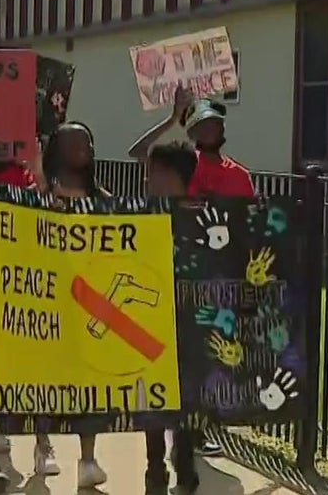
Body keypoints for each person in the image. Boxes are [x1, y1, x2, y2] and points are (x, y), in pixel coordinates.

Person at [37, 121, 112, 486]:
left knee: (88, 386)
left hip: (87, 307)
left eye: (88, 141)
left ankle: (87, 459)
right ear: (57, 150)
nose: (83, 147)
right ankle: (42, 444)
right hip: (46, 303)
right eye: (74, 141)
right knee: (44, 382)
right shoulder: (39, 196)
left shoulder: (104, 200)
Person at [143, 141, 201, 494]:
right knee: (152, 399)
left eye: (156, 176)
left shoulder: (201, 216)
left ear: (176, 178)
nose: (149, 182)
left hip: (187, 322)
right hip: (149, 322)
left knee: (185, 398)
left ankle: (185, 461)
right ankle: (154, 468)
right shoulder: (142, 212)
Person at [185, 99, 254, 199]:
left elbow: (248, 212)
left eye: (215, 124)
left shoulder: (240, 176)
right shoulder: (182, 166)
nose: (210, 130)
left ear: (222, 129)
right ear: (192, 134)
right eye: (204, 126)